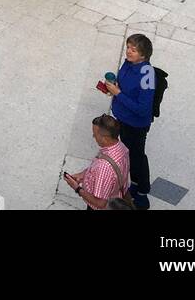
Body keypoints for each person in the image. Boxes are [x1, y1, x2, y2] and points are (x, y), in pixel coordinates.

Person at [105, 33, 157, 209]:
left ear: (143, 55)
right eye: (128, 47)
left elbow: (143, 109)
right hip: (123, 119)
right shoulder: (128, 63)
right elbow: (123, 86)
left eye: (133, 50)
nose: (128, 51)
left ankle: (142, 192)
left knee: (137, 157)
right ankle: (134, 185)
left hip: (136, 124)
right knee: (130, 155)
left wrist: (118, 93)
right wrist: (113, 88)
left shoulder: (147, 74)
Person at [64, 116, 131, 211]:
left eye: (95, 134)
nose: (93, 137)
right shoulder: (121, 147)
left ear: (104, 138)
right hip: (118, 197)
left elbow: (100, 203)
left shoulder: (103, 167)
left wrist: (77, 188)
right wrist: (82, 175)